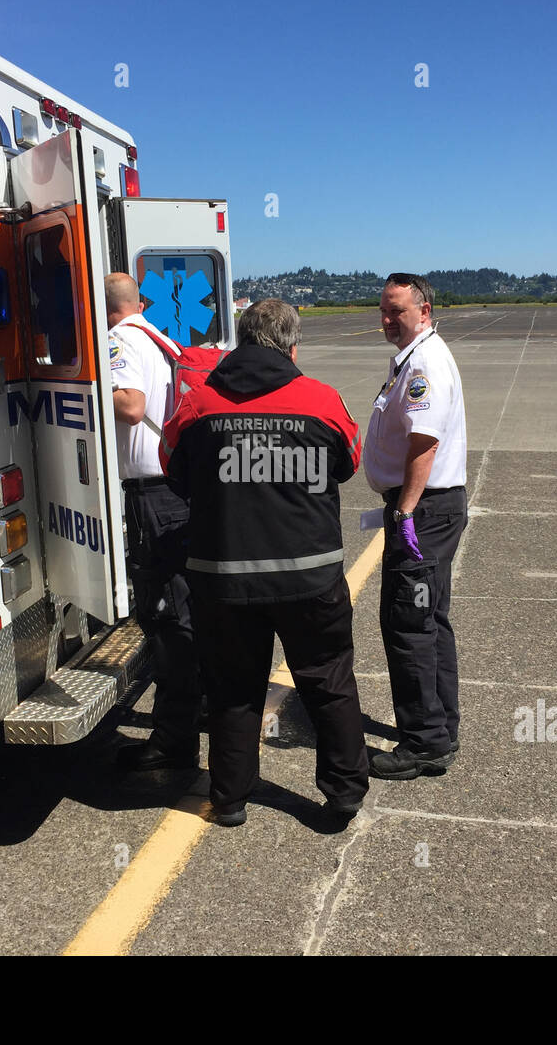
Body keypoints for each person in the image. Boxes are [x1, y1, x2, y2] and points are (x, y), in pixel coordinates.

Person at [161, 299, 368, 826]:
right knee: (328, 682)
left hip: (223, 579)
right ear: (293, 346)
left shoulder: (198, 403)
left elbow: (173, 470)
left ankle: (229, 797)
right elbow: (348, 463)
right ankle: (343, 792)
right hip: (309, 574)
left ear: (240, 341)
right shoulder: (322, 401)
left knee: (232, 689)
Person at [363, 273, 468, 780]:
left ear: (424, 311)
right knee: (429, 620)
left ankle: (424, 742)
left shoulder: (424, 363)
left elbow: (423, 445)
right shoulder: (412, 357)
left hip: (422, 512)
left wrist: (404, 511)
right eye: (383, 310)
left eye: (397, 311)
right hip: (428, 509)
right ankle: (440, 726)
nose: (387, 319)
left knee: (409, 624)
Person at [104, 272, 202, 771]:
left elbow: (131, 405)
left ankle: (173, 739)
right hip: (176, 488)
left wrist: (92, 383)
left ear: (106, 309)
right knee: (183, 612)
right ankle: (192, 715)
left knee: (164, 619)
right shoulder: (160, 337)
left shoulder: (119, 339)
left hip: (151, 495)